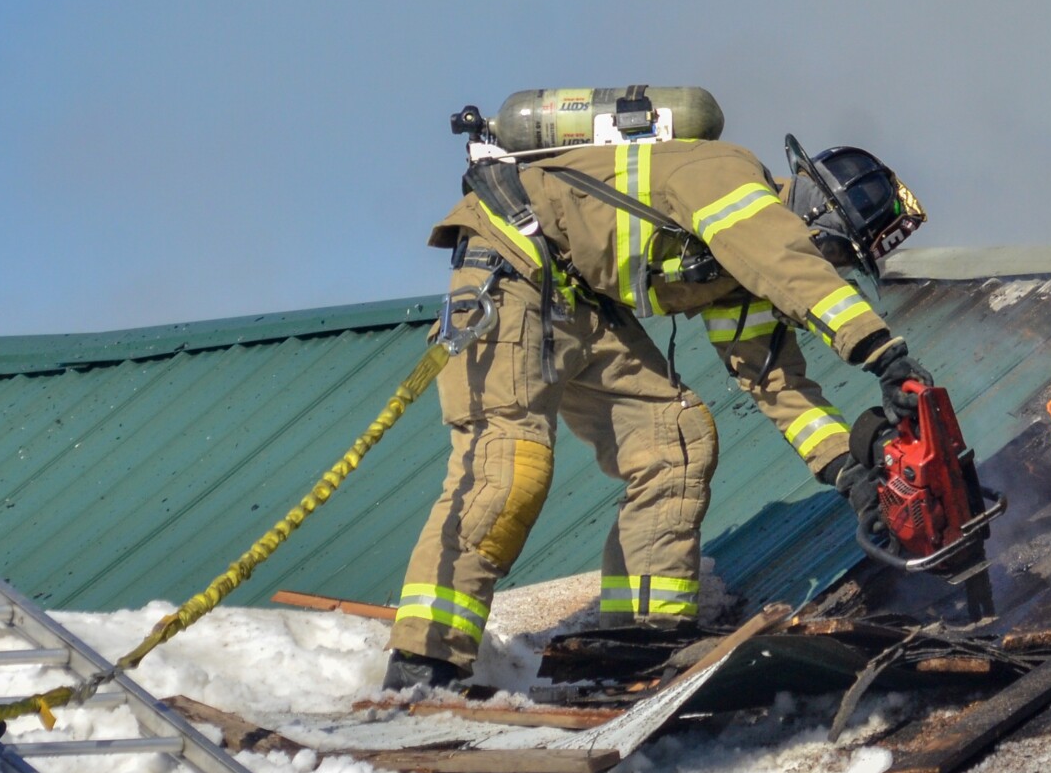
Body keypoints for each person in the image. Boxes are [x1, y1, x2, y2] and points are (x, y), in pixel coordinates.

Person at [384, 92, 931, 690]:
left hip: (578, 301)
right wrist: (884, 356)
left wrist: (852, 476)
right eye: (832, 251)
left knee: (675, 441)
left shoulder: (738, 277)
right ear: (815, 216)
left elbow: (776, 383)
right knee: (507, 466)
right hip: (510, 271)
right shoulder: (728, 178)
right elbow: (788, 263)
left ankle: (639, 638)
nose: (828, 263)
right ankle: (424, 661)